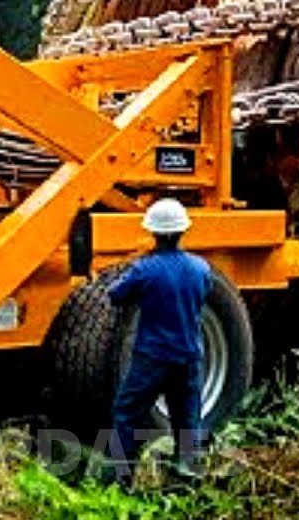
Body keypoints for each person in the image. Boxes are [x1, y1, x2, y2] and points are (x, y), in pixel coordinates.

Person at [107, 198, 212, 484]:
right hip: (190, 356)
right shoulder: (201, 268)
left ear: (153, 232)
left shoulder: (146, 269)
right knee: (187, 416)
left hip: (153, 356)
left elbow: (116, 295)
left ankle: (121, 477)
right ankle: (187, 475)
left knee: (127, 411)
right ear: (183, 231)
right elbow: (205, 292)